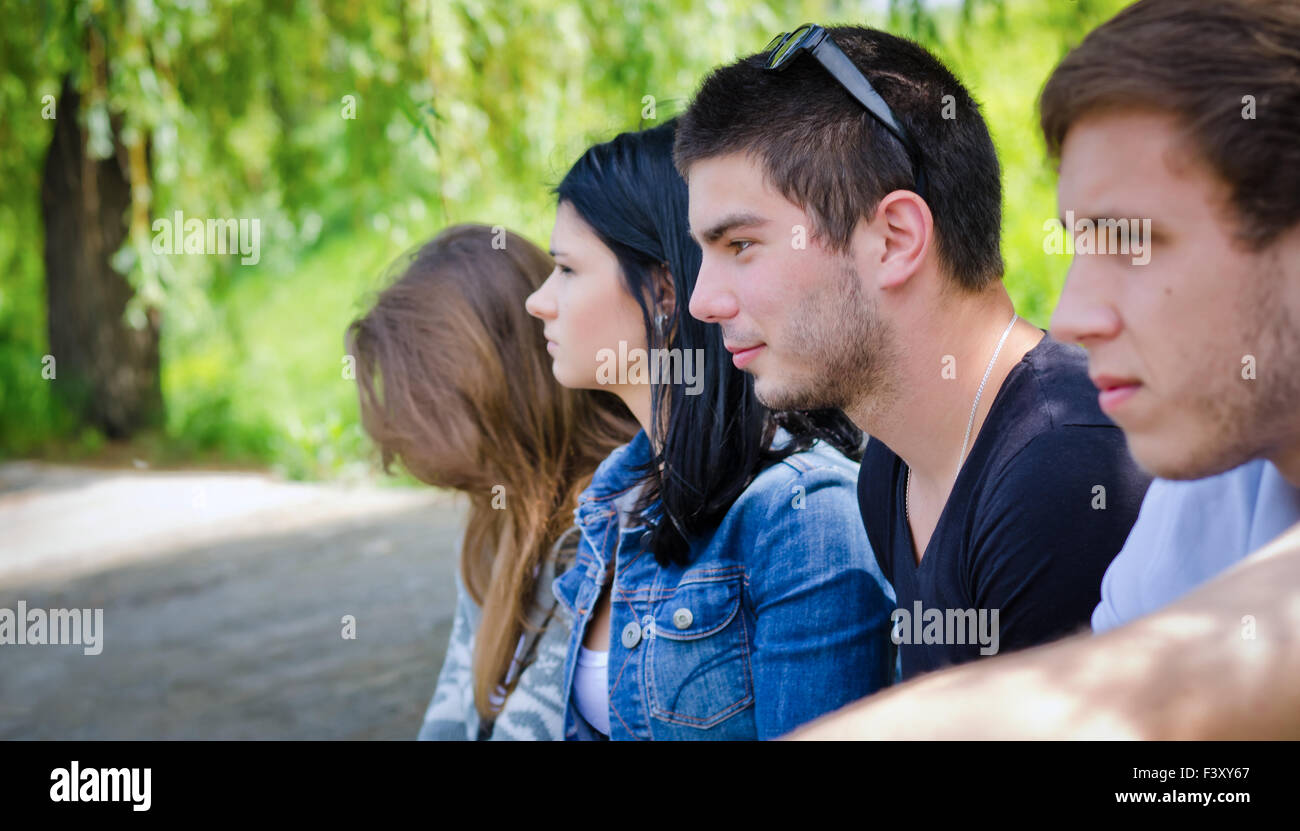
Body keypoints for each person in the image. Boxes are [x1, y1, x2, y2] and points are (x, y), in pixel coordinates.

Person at [790, 0, 1300, 738]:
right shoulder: (1220, 472)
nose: (1072, 317)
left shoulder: (1063, 450)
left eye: (1135, 242)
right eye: (1080, 247)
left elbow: (1139, 697)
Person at [675, 24, 1150, 680]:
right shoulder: (891, 472)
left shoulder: (1064, 467)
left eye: (741, 246)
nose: (703, 301)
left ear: (895, 238)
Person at [524, 120, 895, 740]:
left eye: (566, 269)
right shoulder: (616, 496)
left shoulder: (803, 515)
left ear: (665, 290)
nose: (539, 299)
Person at [346, 224, 638, 740]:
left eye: (421, 412)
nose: (396, 454)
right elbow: (452, 707)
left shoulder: (615, 523)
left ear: (487, 391)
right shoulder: (495, 519)